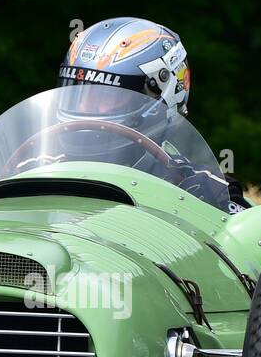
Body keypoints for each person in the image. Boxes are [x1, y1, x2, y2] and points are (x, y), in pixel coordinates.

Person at [57, 17, 247, 212]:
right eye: (78, 93)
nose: (86, 106)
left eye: (105, 96)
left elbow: (252, 234)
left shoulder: (199, 187)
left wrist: (201, 214)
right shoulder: (37, 167)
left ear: (160, 96)